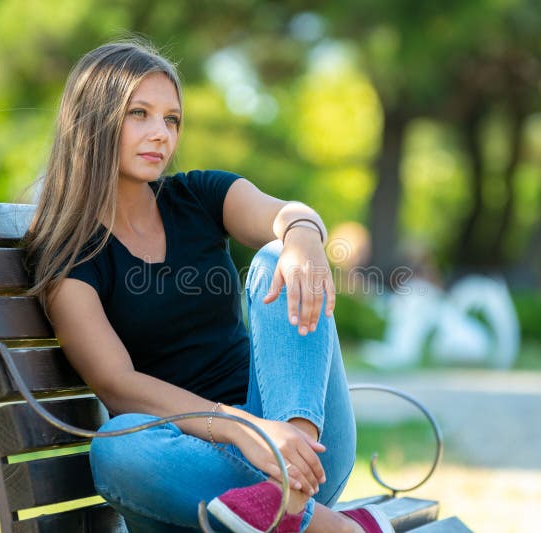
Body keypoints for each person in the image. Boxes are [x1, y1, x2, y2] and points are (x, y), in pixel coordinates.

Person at [23, 40, 394, 533]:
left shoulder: (198, 195)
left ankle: (291, 493)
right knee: (116, 444)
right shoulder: (71, 254)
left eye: (172, 120)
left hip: (305, 438)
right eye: (140, 114)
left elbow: (284, 213)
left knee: (276, 256)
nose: (161, 134)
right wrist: (246, 432)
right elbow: (117, 385)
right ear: (93, 122)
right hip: (190, 467)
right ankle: (323, 523)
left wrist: (303, 236)